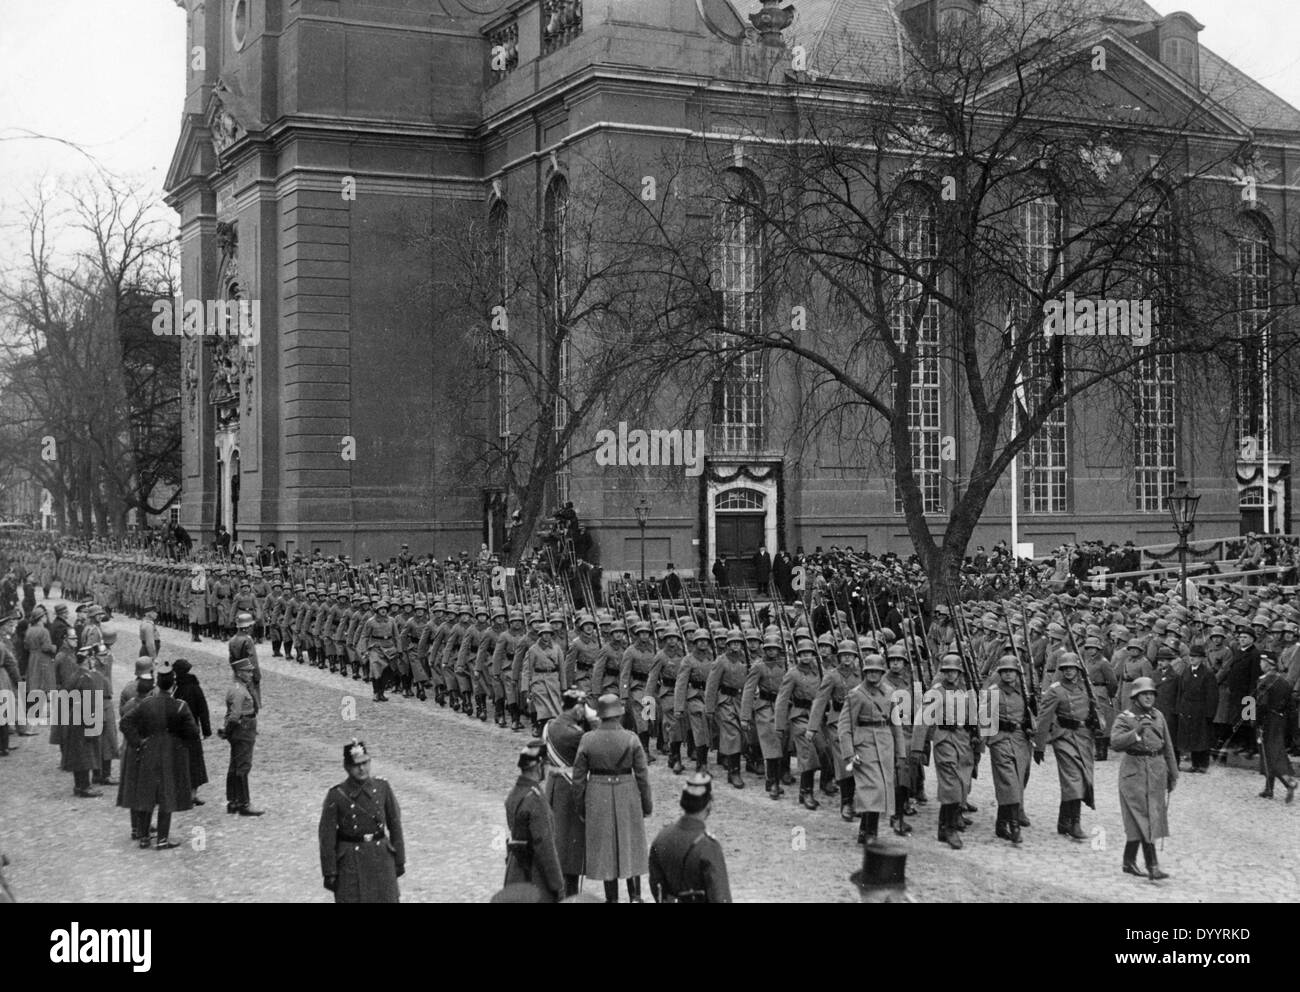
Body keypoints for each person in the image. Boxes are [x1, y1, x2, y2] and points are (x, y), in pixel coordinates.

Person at [572, 693, 653, 903]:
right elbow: (643, 776)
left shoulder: (587, 739)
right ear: (619, 714)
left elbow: (578, 779)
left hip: (598, 794)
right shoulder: (631, 738)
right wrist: (646, 804)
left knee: (607, 850)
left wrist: (581, 807)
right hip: (627, 792)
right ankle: (635, 897)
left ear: (600, 715)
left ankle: (612, 899)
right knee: (630, 844)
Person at [118, 666, 201, 850]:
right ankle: (162, 839)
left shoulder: (146, 704)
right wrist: (180, 742)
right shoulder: (180, 706)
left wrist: (138, 742)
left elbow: (125, 723)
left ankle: (144, 837)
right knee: (167, 794)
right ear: (172, 686)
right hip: (171, 753)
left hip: (148, 751)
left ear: (158, 685)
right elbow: (193, 732)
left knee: (147, 792)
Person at [319, 740, 405, 902]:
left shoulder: (382, 788)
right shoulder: (337, 795)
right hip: (351, 862)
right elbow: (327, 836)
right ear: (346, 767)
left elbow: (395, 824)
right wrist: (329, 871)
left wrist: (399, 859)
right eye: (356, 765)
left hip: (381, 857)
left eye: (365, 763)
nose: (362, 768)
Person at [1110, 677, 1178, 880]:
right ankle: (1153, 866)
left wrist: (1173, 773)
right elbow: (1115, 742)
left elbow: (1168, 746)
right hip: (1134, 773)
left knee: (1145, 819)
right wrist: (1137, 732)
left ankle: (1128, 861)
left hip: (1156, 771)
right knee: (1145, 819)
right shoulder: (1125, 718)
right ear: (1135, 697)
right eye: (1144, 694)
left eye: (1152, 694)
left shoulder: (1158, 716)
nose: (1149, 697)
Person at [1034, 652, 1097, 842]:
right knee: (1073, 778)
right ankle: (1074, 823)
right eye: (1065, 668)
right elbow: (1044, 718)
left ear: (1078, 669)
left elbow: (1096, 708)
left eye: (1072, 668)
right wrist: (1039, 745)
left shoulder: (1086, 686)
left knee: (1083, 777)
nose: (1069, 671)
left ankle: (1063, 821)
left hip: (1084, 738)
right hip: (1064, 737)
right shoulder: (1055, 690)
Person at [648, 772, 732, 903]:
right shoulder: (708, 847)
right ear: (709, 804)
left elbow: (656, 887)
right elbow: (720, 897)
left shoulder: (662, 838)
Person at [502, 738, 564, 902]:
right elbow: (546, 848)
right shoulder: (536, 800)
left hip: (514, 873)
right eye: (546, 765)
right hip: (535, 877)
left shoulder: (514, 794)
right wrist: (557, 885)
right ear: (539, 766)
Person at [542, 688, 590, 897]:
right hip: (570, 791)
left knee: (555, 840)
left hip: (552, 787)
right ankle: (568, 893)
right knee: (571, 847)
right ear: (578, 707)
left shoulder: (549, 726)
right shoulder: (575, 734)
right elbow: (595, 743)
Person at [987, 656, 1033, 845]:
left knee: (1016, 782)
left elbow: (1030, 717)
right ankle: (1014, 826)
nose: (1007, 673)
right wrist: (985, 742)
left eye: (1011, 671)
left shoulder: (1024, 693)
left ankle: (1001, 822)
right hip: (1000, 740)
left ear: (1017, 673)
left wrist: (1031, 728)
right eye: (1004, 671)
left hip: (1020, 741)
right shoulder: (992, 692)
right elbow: (984, 719)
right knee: (1010, 782)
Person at [219, 657, 263, 816]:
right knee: (243, 766)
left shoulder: (236, 687)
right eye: (247, 671)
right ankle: (244, 803)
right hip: (243, 729)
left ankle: (234, 801)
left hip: (241, 728)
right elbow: (234, 714)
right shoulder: (239, 690)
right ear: (239, 673)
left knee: (235, 765)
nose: (251, 674)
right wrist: (229, 730)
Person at [1255, 654, 1298, 803]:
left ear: (1269, 665)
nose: (1261, 663)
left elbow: (1261, 704)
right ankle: (1268, 789)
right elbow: (1291, 707)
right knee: (1274, 751)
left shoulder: (1264, 681)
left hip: (1267, 720)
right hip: (1280, 720)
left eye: (1263, 661)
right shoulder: (1284, 682)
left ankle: (1288, 783)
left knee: (1269, 754)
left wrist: (1257, 722)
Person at [171, 659, 211, 804]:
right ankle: (192, 794)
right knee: (195, 762)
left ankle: (181, 793)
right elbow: (203, 709)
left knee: (180, 761)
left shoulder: (175, 688)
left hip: (177, 731)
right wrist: (206, 730)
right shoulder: (194, 687)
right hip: (193, 729)